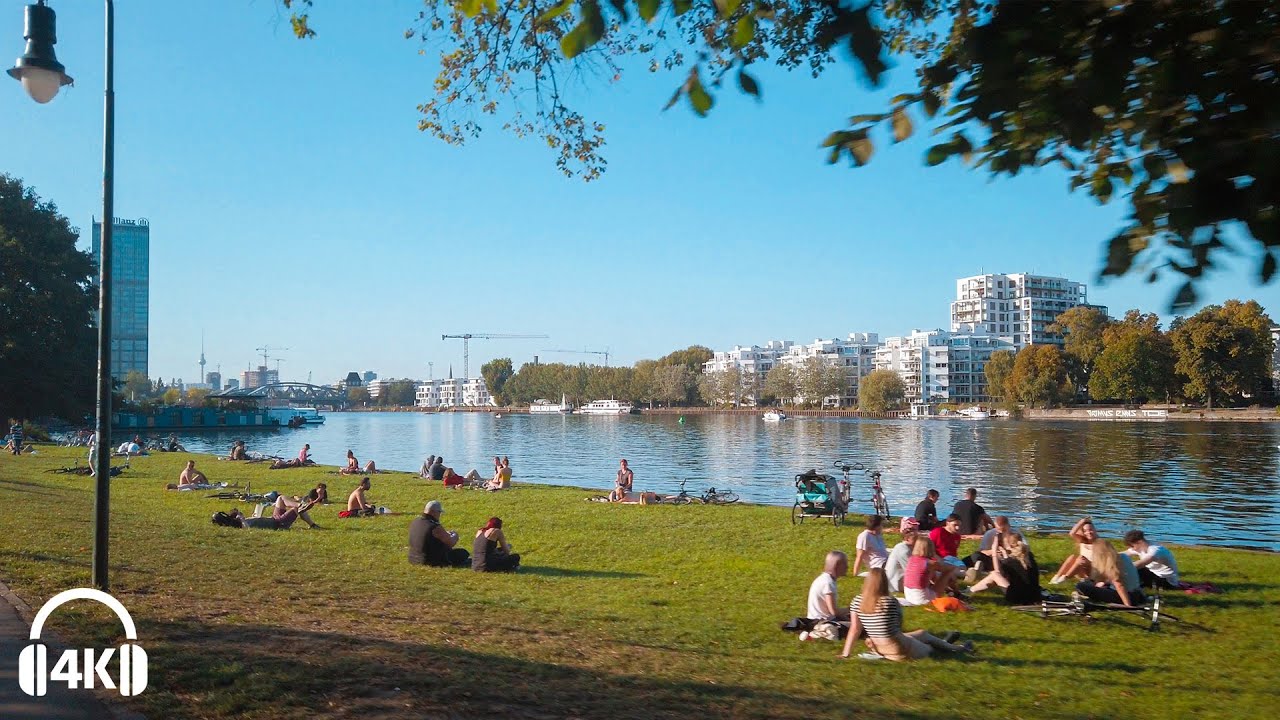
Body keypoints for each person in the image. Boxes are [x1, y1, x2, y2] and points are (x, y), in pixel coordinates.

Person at [840, 568, 973, 661]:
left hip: (878, 647)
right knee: (931, 649)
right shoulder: (890, 602)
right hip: (899, 648)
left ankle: (946, 643)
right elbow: (899, 627)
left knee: (922, 634)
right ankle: (959, 648)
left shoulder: (857, 601)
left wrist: (846, 654)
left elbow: (854, 629)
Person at [969, 532, 1041, 604]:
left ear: (1009, 545)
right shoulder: (1029, 556)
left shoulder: (1009, 562)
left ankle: (970, 590)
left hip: (1019, 598)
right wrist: (1005, 555)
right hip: (1035, 596)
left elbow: (997, 572)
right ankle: (973, 590)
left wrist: (994, 551)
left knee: (994, 574)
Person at [1076, 541, 1144, 606]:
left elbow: (1119, 585)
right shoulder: (1123, 556)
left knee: (1081, 586)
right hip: (1137, 593)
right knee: (1090, 582)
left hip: (1128, 596)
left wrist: (1128, 605)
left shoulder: (1112, 563)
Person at [801, 551, 850, 641]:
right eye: (845, 564)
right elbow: (833, 612)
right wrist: (850, 609)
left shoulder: (823, 578)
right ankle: (819, 632)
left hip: (814, 619)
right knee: (858, 625)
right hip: (821, 621)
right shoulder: (828, 583)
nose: (847, 567)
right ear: (837, 565)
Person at [408, 500, 470, 567]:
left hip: (413, 558)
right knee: (463, 553)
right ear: (433, 512)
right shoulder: (434, 527)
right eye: (439, 512)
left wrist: (445, 534)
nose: (439, 515)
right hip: (430, 561)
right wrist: (455, 535)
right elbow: (451, 543)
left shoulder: (416, 521)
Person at [903, 537, 956, 605]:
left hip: (909, 596)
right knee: (948, 571)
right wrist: (935, 556)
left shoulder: (911, 559)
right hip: (921, 599)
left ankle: (950, 590)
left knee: (933, 573)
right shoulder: (929, 563)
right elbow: (947, 567)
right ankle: (955, 592)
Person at [1050, 516, 1099, 584]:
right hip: (1081, 570)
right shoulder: (1082, 541)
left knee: (1081, 558)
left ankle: (1065, 579)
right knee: (1072, 557)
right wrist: (1081, 522)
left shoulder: (1100, 543)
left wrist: (1087, 562)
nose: (1088, 532)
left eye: (1090, 530)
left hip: (1093, 572)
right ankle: (1057, 577)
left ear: (1095, 530)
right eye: (1085, 531)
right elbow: (1072, 533)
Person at [886, 519, 918, 594]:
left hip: (900, 578)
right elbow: (911, 570)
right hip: (896, 582)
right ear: (907, 538)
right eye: (915, 538)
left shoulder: (909, 548)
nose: (918, 540)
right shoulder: (903, 550)